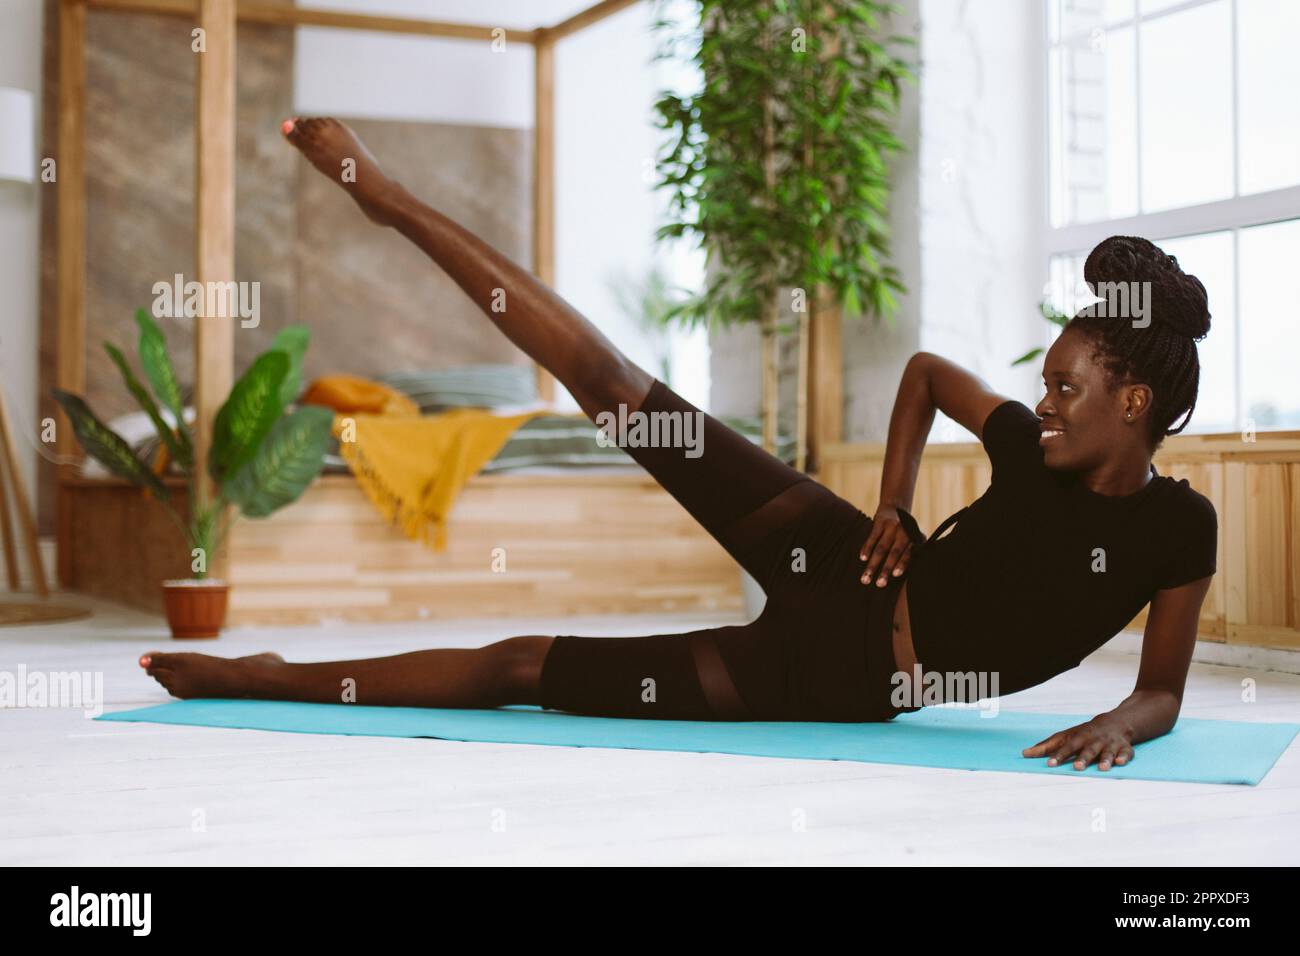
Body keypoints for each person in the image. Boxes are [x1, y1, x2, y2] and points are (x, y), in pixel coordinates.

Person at [139, 119, 1216, 772]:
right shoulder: (1027, 446)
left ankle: (264, 674)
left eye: (1066, 386)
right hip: (832, 553)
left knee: (522, 668)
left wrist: (1123, 719)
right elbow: (928, 371)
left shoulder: (1180, 526)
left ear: (1131, 399)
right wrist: (891, 504)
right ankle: (390, 199)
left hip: (829, 678)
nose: (1044, 401)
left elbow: (1163, 685)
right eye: (1044, 381)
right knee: (616, 388)